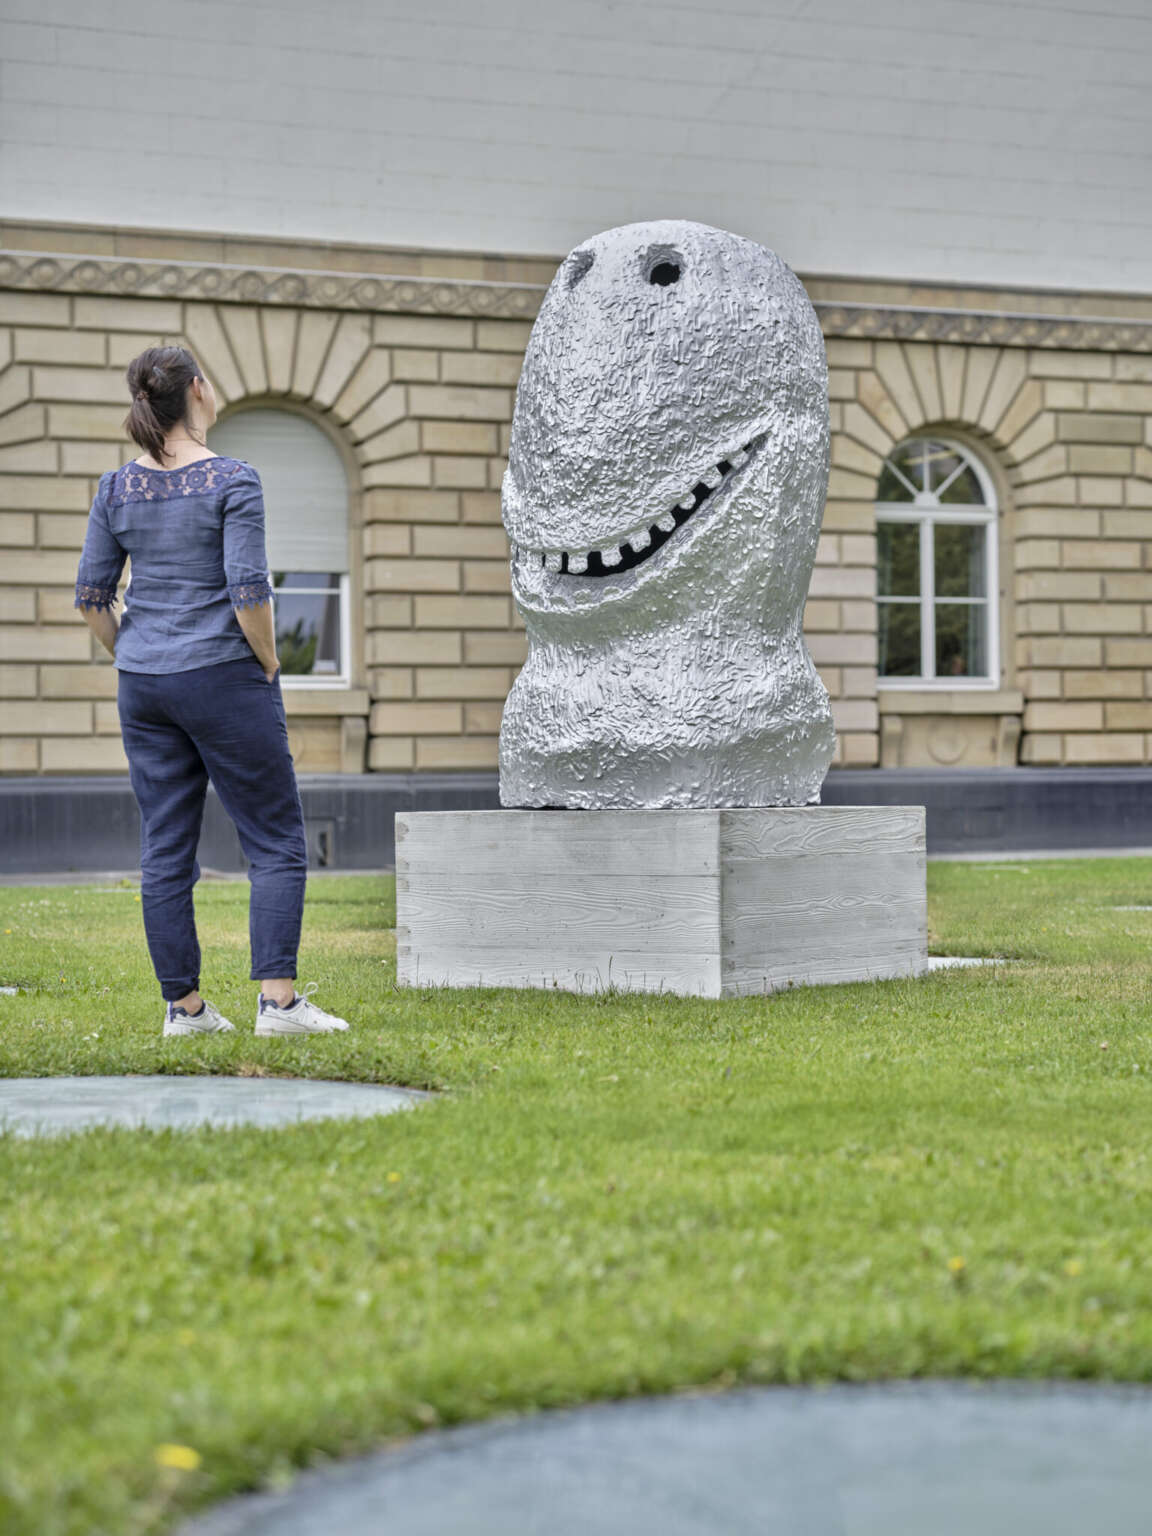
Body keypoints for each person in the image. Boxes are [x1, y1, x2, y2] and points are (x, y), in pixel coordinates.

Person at [73, 345, 351, 1039]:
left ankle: (185, 1011)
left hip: (144, 684)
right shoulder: (233, 478)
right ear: (198, 390)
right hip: (224, 675)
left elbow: (90, 598)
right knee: (276, 839)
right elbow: (250, 589)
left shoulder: (115, 489)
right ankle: (280, 1005)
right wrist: (268, 662)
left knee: (165, 845)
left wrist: (134, 652)